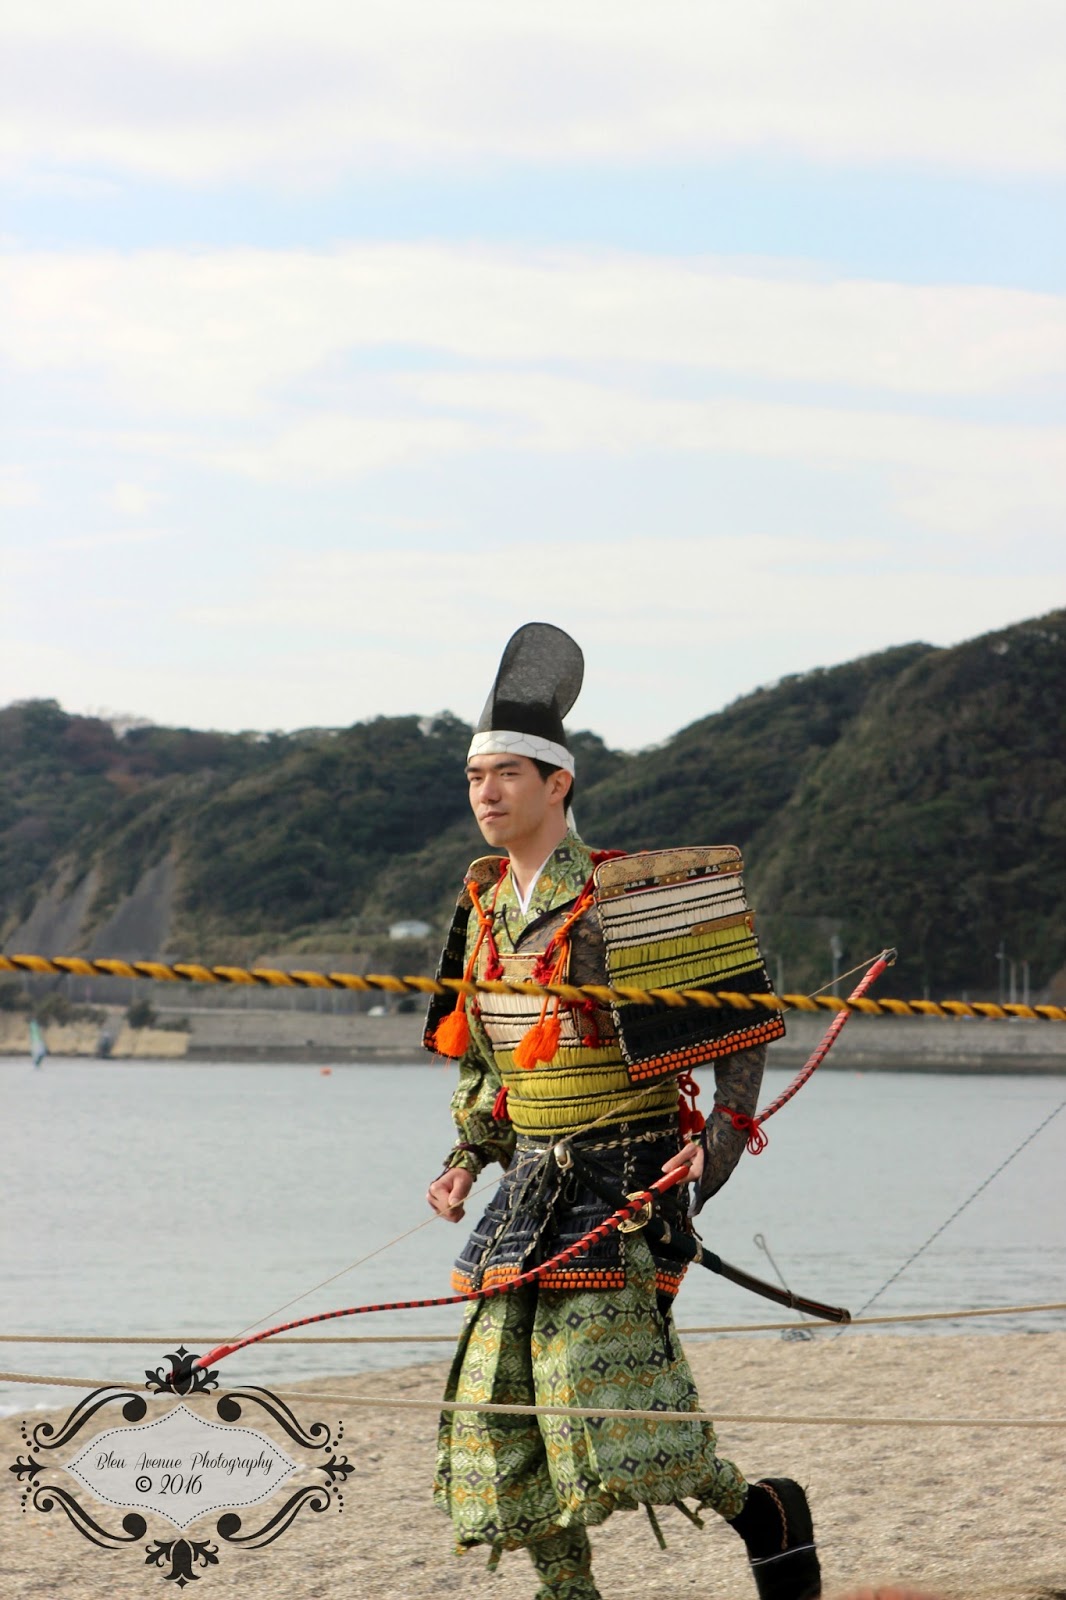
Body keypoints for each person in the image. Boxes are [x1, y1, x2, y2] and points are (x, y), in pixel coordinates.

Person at [424, 622, 821, 1600]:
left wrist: (714, 1150)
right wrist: (465, 1157)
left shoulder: (622, 897)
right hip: (526, 1190)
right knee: (498, 1410)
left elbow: (740, 1027)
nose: (487, 793)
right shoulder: (478, 908)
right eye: (476, 777)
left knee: (607, 1409)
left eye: (507, 773)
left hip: (624, 1179)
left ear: (558, 783)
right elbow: (486, 1056)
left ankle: (761, 1511)